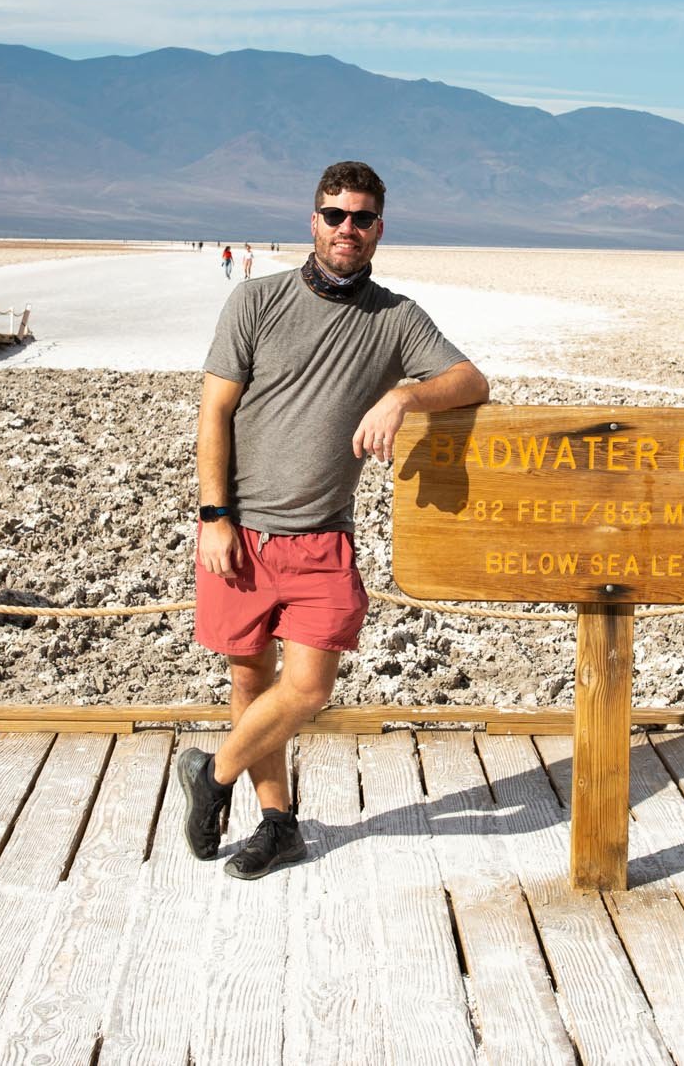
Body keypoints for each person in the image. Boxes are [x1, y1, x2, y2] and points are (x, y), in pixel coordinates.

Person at [179, 161, 488, 880]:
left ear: (380, 227)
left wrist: (406, 396)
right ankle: (278, 824)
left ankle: (212, 772)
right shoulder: (256, 301)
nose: (347, 228)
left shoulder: (395, 318)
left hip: (323, 535)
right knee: (251, 683)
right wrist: (213, 515)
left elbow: (471, 380)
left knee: (309, 689)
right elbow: (214, 413)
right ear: (311, 220)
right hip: (241, 531)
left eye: (362, 217)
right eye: (334, 215)